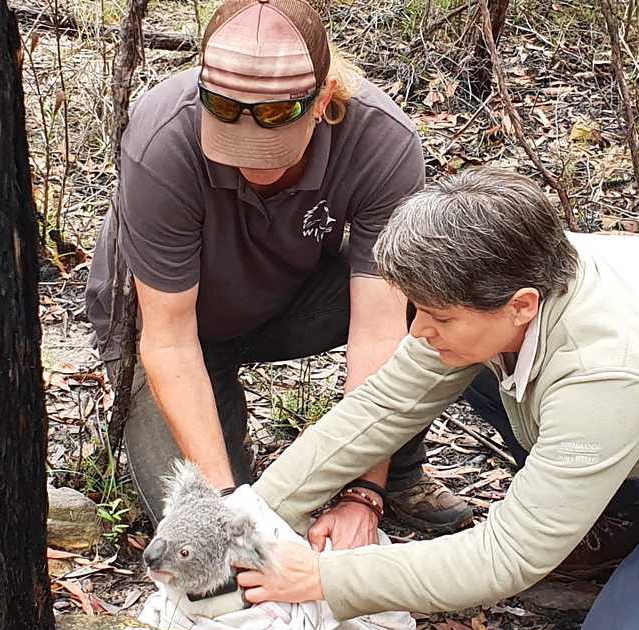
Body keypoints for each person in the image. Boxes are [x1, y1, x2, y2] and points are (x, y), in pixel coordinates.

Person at [236, 167, 639, 630]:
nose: (418, 331)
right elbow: (384, 404)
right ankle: (624, 516)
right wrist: (250, 516)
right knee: (463, 359)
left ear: (522, 303)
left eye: (437, 315)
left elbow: (506, 558)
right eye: (415, 309)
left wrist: (326, 579)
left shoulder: (610, 369)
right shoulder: (518, 273)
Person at [85, 0, 479, 544]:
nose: (253, 156)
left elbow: (380, 329)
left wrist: (361, 489)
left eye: (274, 127)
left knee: (432, 300)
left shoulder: (378, 142)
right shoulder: (164, 141)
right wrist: (226, 502)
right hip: (164, 331)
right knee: (220, 541)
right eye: (227, 121)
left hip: (285, 301)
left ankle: (400, 472)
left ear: (322, 101)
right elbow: (169, 339)